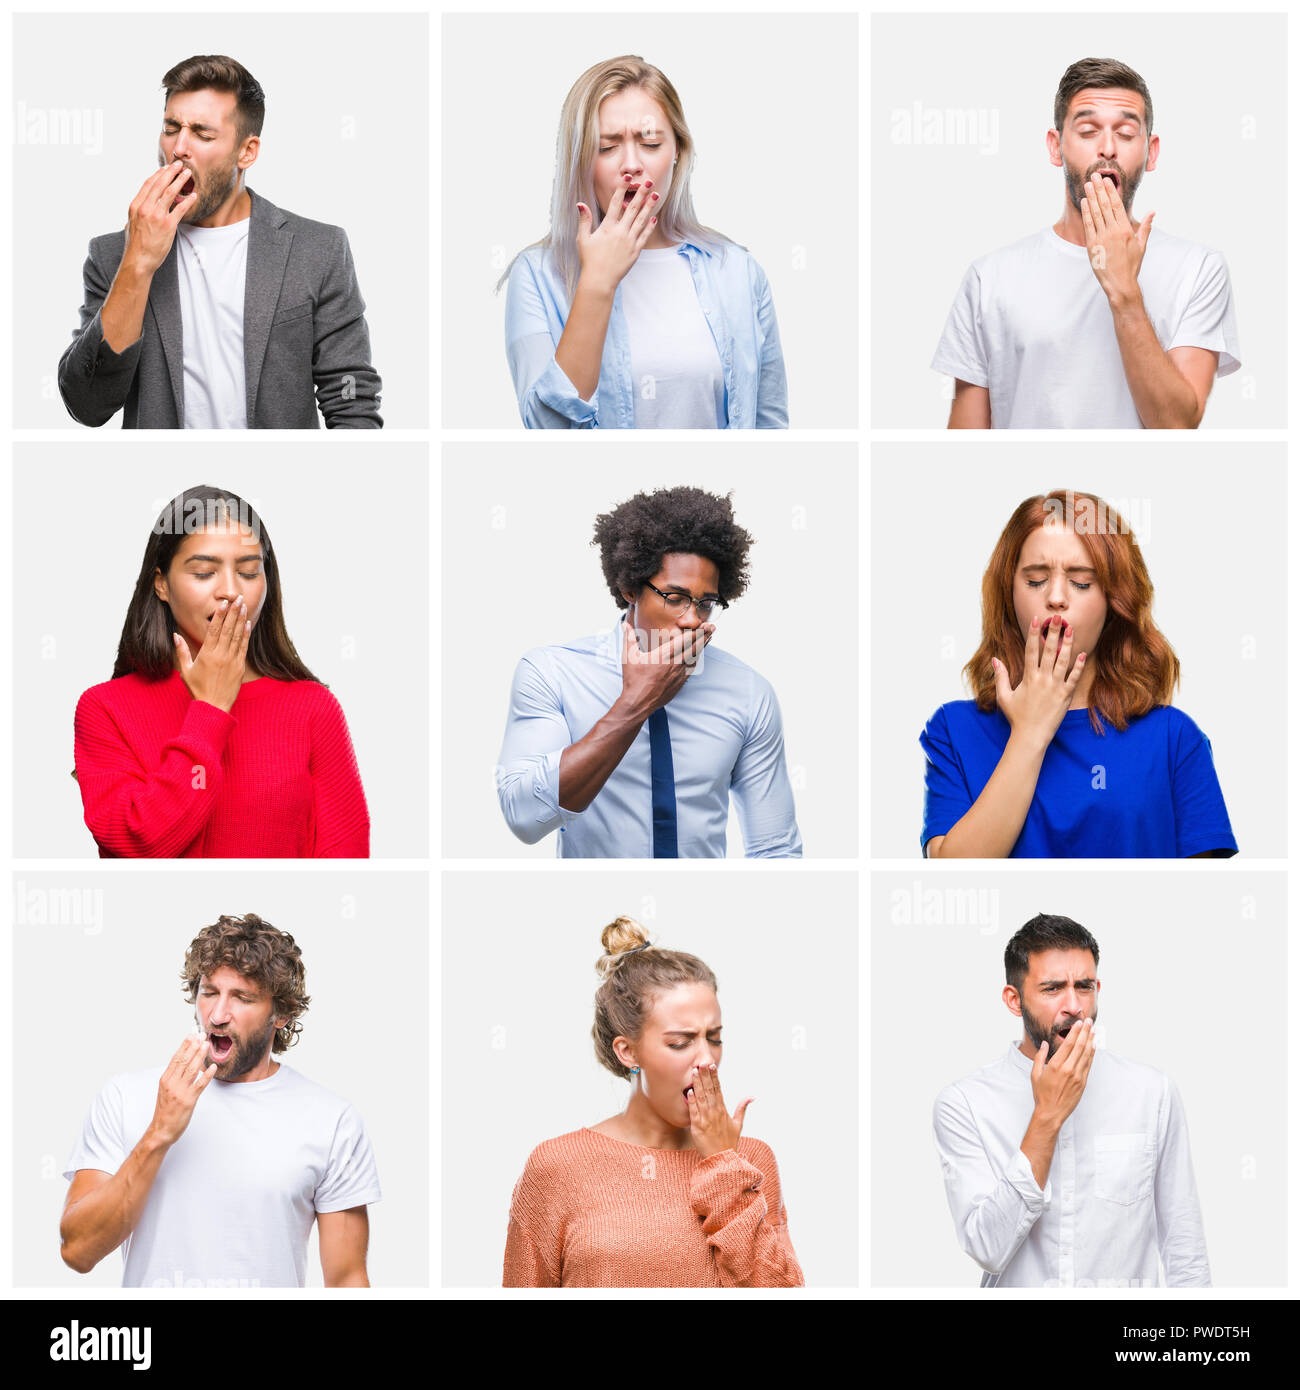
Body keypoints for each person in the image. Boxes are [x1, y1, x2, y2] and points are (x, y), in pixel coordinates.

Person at [58, 54, 382, 429]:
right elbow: (87, 404)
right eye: (170, 127)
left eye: (202, 133)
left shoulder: (318, 250)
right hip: (167, 482)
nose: (179, 148)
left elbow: (352, 398)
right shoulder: (113, 255)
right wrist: (138, 264)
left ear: (247, 152)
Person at [60, 915, 380, 1288]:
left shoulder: (332, 1120)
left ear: (281, 1014)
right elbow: (78, 1251)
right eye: (209, 992)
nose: (217, 1015)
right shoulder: (124, 1097)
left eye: (242, 998)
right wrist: (160, 1132)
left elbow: (347, 1281)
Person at [919, 489, 1236, 858]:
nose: (1056, 597)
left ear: (1114, 603)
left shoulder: (1174, 739)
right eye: (1035, 580)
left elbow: (1204, 902)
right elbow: (954, 877)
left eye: (1081, 582)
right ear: (1009, 595)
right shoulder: (953, 729)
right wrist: (1030, 732)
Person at [932, 57, 1239, 429]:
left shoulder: (1198, 268)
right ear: (1055, 146)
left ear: (1151, 151)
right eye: (1088, 130)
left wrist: (1124, 291)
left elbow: (1176, 426)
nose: (1108, 148)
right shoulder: (989, 277)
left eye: (1126, 133)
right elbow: (965, 448)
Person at [496, 486, 802, 857]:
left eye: (706, 603)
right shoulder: (552, 673)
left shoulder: (749, 693)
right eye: (674, 598)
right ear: (629, 588)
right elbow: (524, 817)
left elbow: (775, 851)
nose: (692, 620)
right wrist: (635, 703)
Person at [504, 917, 803, 1287]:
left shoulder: (751, 1162)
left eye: (714, 1038)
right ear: (628, 1051)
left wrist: (723, 1167)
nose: (706, 1059)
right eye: (680, 1042)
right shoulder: (556, 1167)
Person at [73, 484, 370, 857]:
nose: (231, 591)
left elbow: (345, 863)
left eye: (248, 572)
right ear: (161, 584)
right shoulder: (104, 708)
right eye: (203, 573)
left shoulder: (314, 708)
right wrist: (210, 710)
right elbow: (140, 846)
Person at [502, 55, 786, 428]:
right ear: (579, 160)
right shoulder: (537, 275)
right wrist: (596, 284)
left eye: (650, 143)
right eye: (607, 147)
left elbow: (771, 431)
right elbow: (547, 432)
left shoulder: (738, 271)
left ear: (678, 154)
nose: (631, 164)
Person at [932, 914, 1210, 1287]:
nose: (1074, 1005)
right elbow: (987, 1249)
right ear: (1014, 1001)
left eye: (1084, 986)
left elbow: (1184, 1249)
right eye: (1052, 989)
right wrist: (1046, 1116)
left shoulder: (1151, 1092)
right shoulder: (965, 1103)